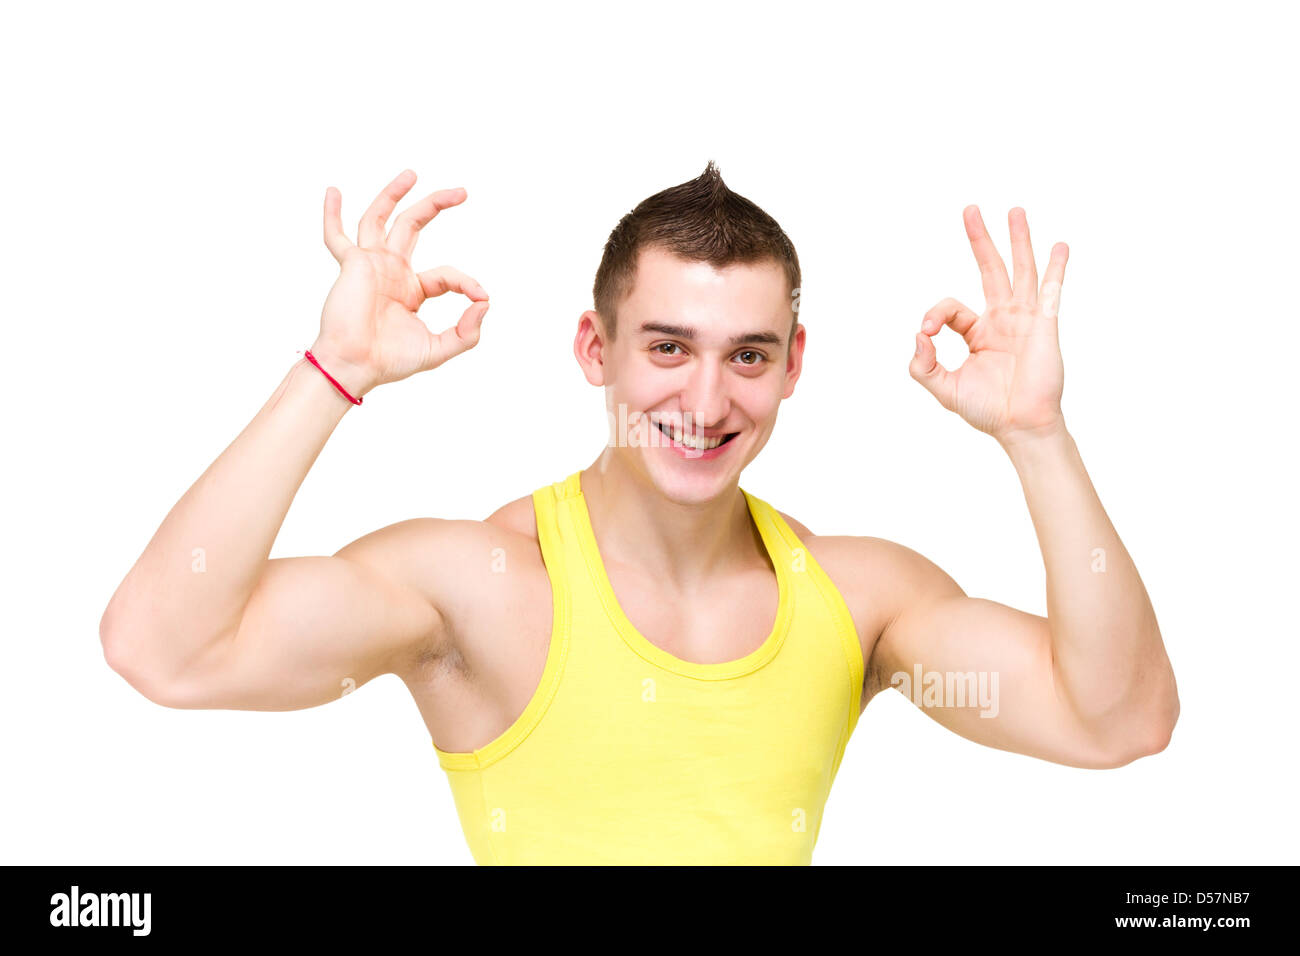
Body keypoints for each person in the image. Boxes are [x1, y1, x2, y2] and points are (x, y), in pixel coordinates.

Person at [99, 162, 1179, 865]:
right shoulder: (477, 587)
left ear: (792, 364)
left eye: (745, 355)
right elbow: (163, 646)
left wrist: (1037, 435)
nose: (705, 404)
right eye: (666, 347)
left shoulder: (859, 600)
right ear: (593, 349)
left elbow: (1118, 718)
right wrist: (331, 370)